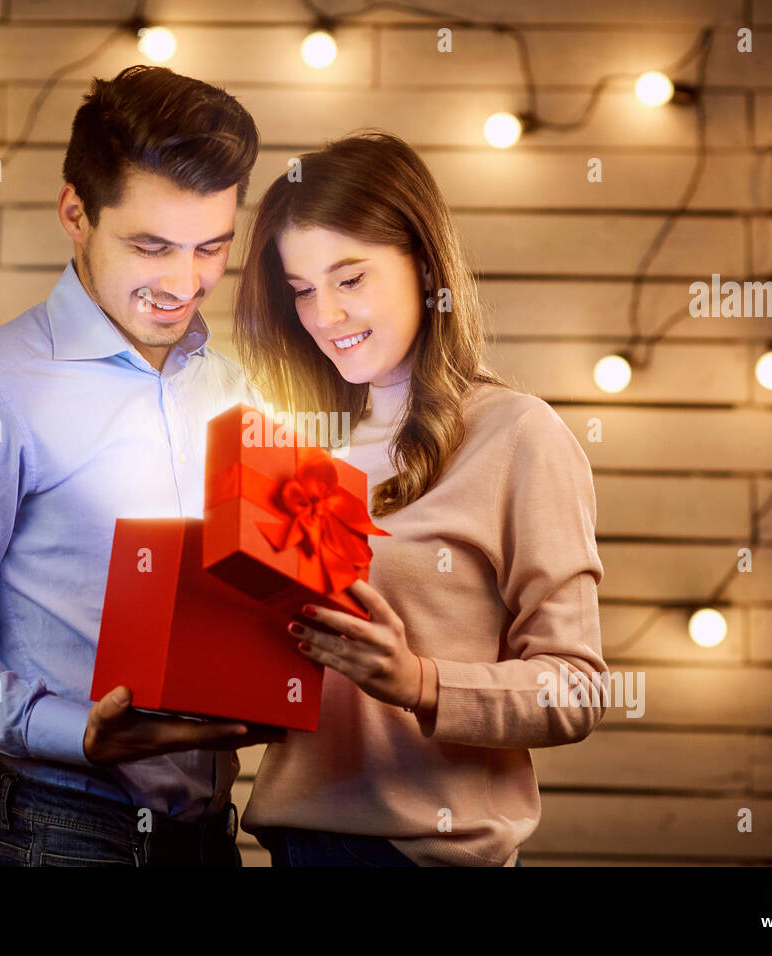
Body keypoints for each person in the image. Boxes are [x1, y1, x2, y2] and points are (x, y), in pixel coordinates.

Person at [0, 65, 285, 868]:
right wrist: (79, 730)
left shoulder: (236, 390)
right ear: (75, 212)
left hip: (214, 841)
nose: (183, 283)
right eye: (150, 246)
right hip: (63, 834)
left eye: (211, 247)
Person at [232, 131, 609, 867]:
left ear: (424, 265)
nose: (326, 316)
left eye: (351, 279)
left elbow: (576, 689)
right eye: (302, 290)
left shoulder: (517, 434)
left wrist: (419, 683)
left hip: (420, 855)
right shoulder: (299, 444)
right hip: (290, 842)